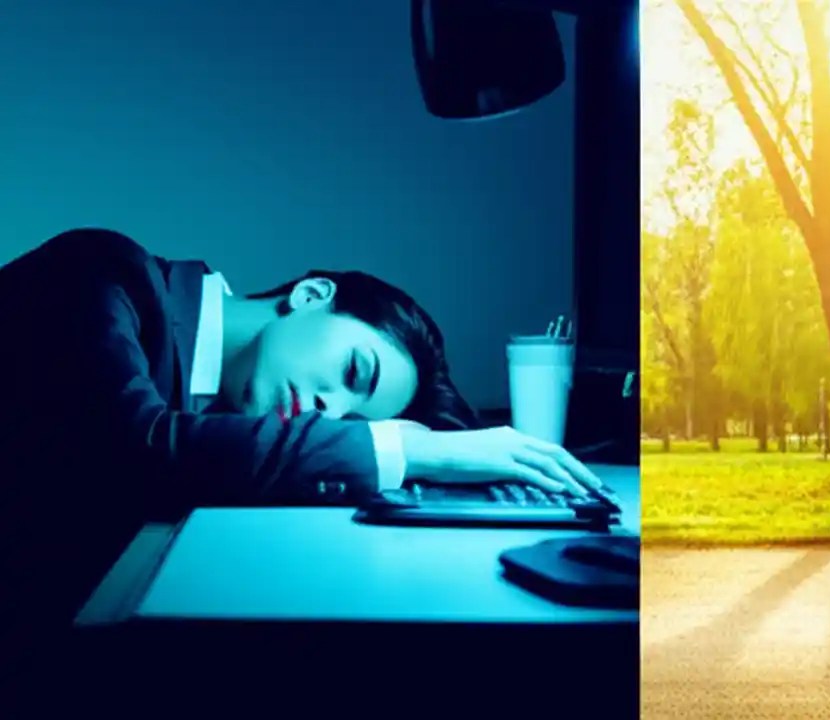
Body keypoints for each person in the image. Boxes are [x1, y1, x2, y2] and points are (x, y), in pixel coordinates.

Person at [0, 227, 601, 682]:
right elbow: (136, 449)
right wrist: (408, 447)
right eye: (353, 372)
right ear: (312, 295)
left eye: (353, 421)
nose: (329, 413)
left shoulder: (229, 422)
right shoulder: (104, 273)